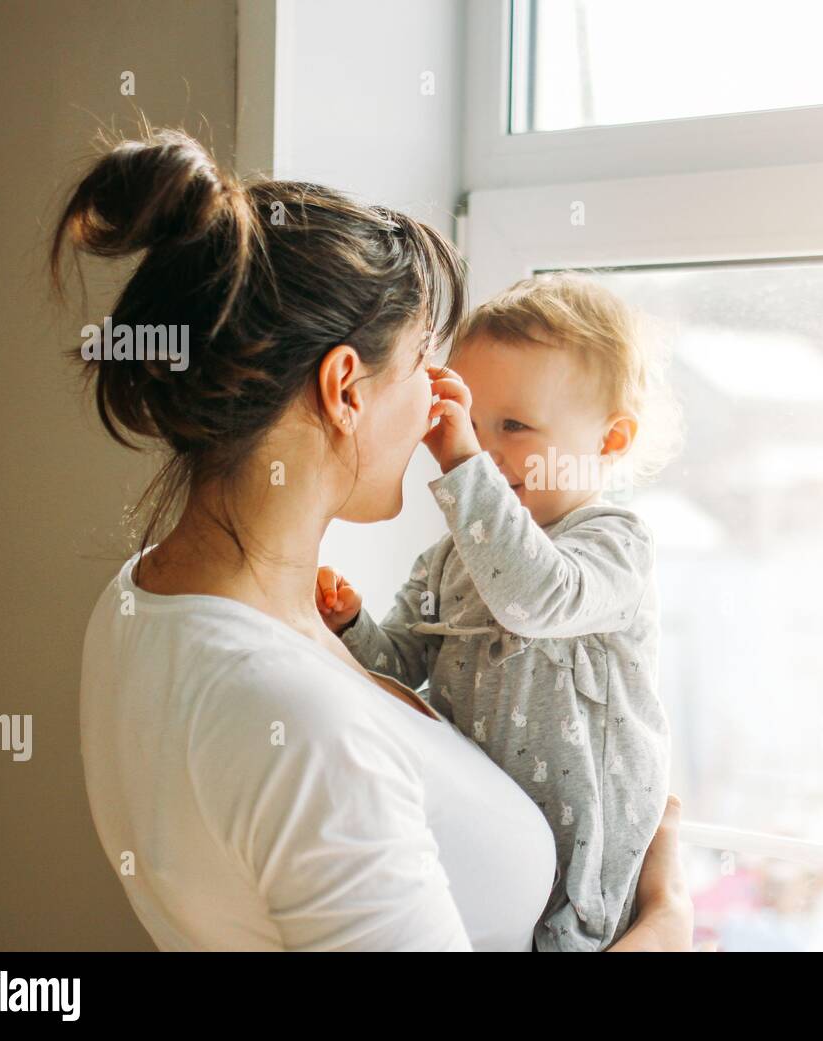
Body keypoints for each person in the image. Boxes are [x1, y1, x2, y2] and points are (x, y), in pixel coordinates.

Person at [56, 123, 693, 951]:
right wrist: (668, 925)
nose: (444, 406)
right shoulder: (298, 722)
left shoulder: (140, 597)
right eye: (429, 365)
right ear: (346, 391)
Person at [317, 273, 681, 951]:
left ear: (610, 441)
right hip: (489, 865)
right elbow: (398, 669)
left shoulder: (614, 544)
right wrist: (351, 626)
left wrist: (459, 458)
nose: (482, 447)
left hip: (588, 883)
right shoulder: (452, 557)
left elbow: (535, 596)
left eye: (513, 426)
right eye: (469, 421)